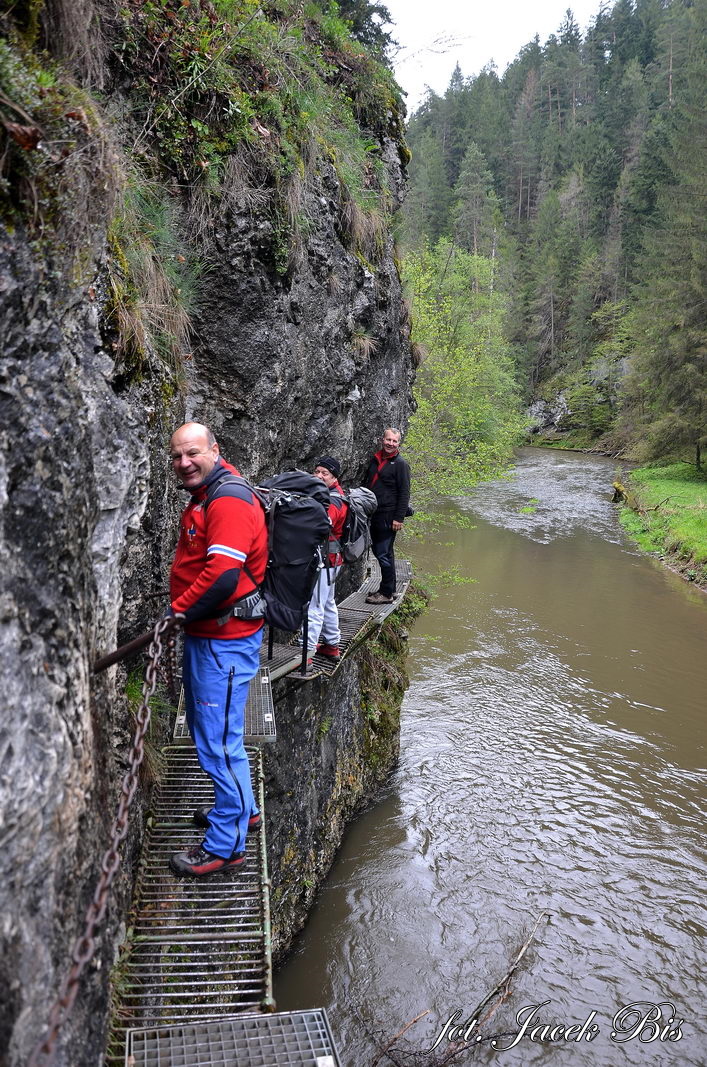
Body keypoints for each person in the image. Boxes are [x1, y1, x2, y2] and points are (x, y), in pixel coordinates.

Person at [167, 422, 268, 877]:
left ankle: (226, 846)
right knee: (223, 742)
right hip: (213, 637)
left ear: (214, 450)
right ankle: (243, 811)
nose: (184, 463)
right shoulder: (210, 494)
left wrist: (177, 612)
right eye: (176, 456)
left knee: (218, 747)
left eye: (193, 453)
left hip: (223, 645)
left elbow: (224, 575)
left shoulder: (227, 499)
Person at [305, 456, 348, 660]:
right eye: (317, 471)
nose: (320, 476)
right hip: (332, 560)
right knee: (327, 601)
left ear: (334, 478)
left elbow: (322, 526)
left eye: (325, 473)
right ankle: (332, 644)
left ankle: (307, 653)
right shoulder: (329, 495)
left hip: (326, 561)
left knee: (315, 604)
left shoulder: (333, 501)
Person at [363, 427, 410, 605]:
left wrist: (399, 518)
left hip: (388, 516)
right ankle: (388, 588)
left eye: (394, 441)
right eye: (388, 440)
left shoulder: (401, 464)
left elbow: (404, 493)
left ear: (399, 443)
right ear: (382, 440)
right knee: (385, 553)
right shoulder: (377, 459)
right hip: (376, 513)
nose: (391, 444)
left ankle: (386, 594)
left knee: (382, 554)